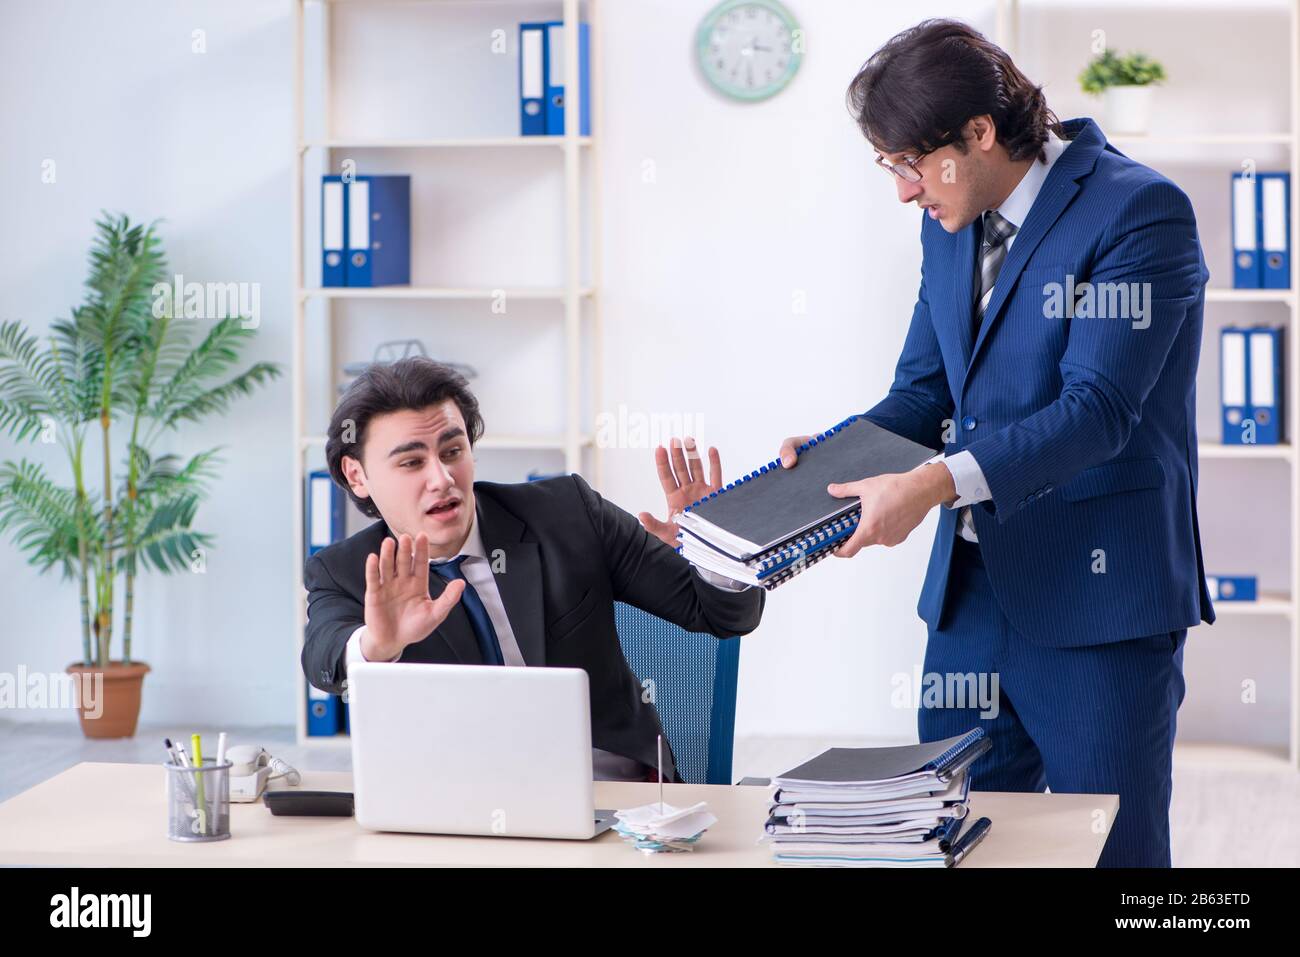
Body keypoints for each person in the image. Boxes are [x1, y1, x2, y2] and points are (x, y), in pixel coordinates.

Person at [777, 19, 1213, 866]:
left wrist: (933, 482)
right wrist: (829, 461)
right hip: (969, 606)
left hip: (1099, 605)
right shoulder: (950, 217)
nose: (904, 191)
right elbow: (923, 393)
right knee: (952, 843)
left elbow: (1098, 410)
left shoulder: (1138, 211)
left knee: (1113, 855)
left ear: (979, 133)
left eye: (910, 162)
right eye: (889, 166)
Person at [301, 357, 763, 782]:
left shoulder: (568, 513)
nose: (441, 478)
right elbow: (324, 662)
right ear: (357, 474)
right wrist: (379, 646)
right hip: (454, 803)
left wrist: (715, 546)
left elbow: (723, 615)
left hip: (610, 791)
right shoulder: (343, 571)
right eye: (411, 462)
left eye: (452, 451)